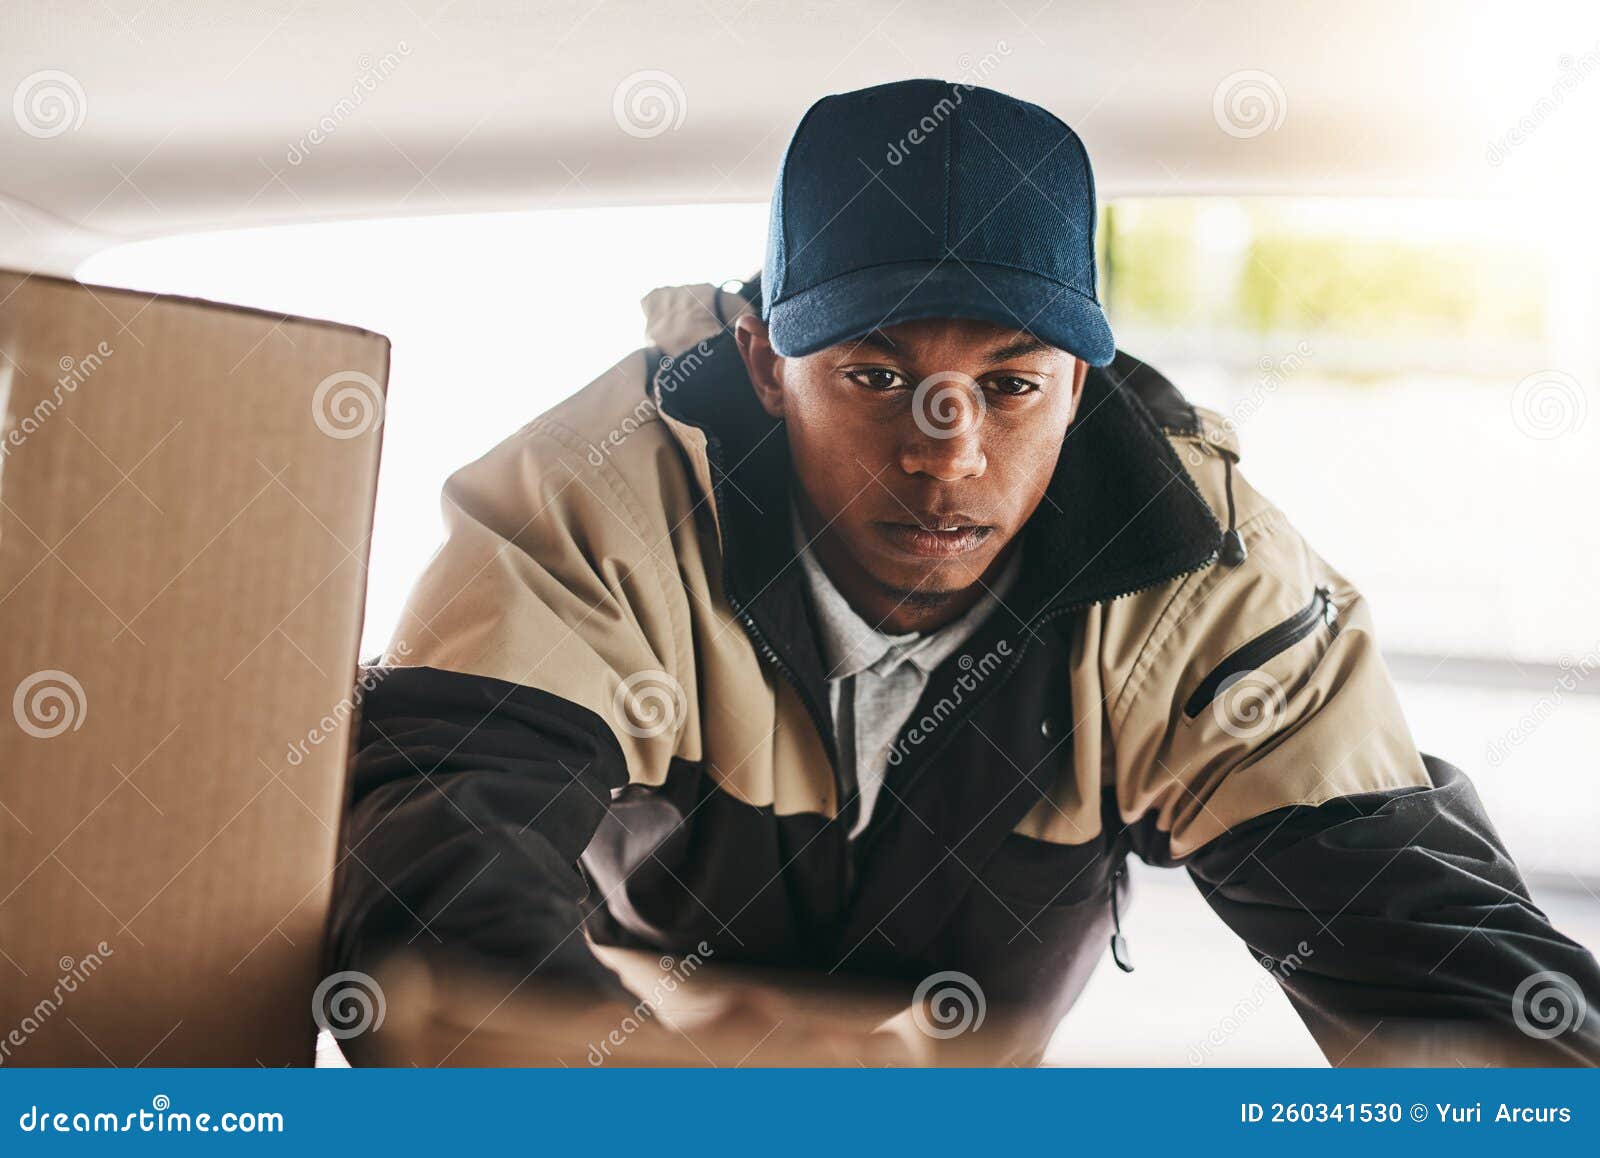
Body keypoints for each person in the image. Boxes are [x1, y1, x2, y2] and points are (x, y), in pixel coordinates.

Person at [328, 78, 1599, 1065]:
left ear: (1083, 379)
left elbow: (1421, 939)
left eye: (1010, 386)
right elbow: (439, 851)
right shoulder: (591, 506)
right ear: (766, 361)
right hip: (619, 1053)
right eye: (875, 379)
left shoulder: (1204, 584)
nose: (947, 460)